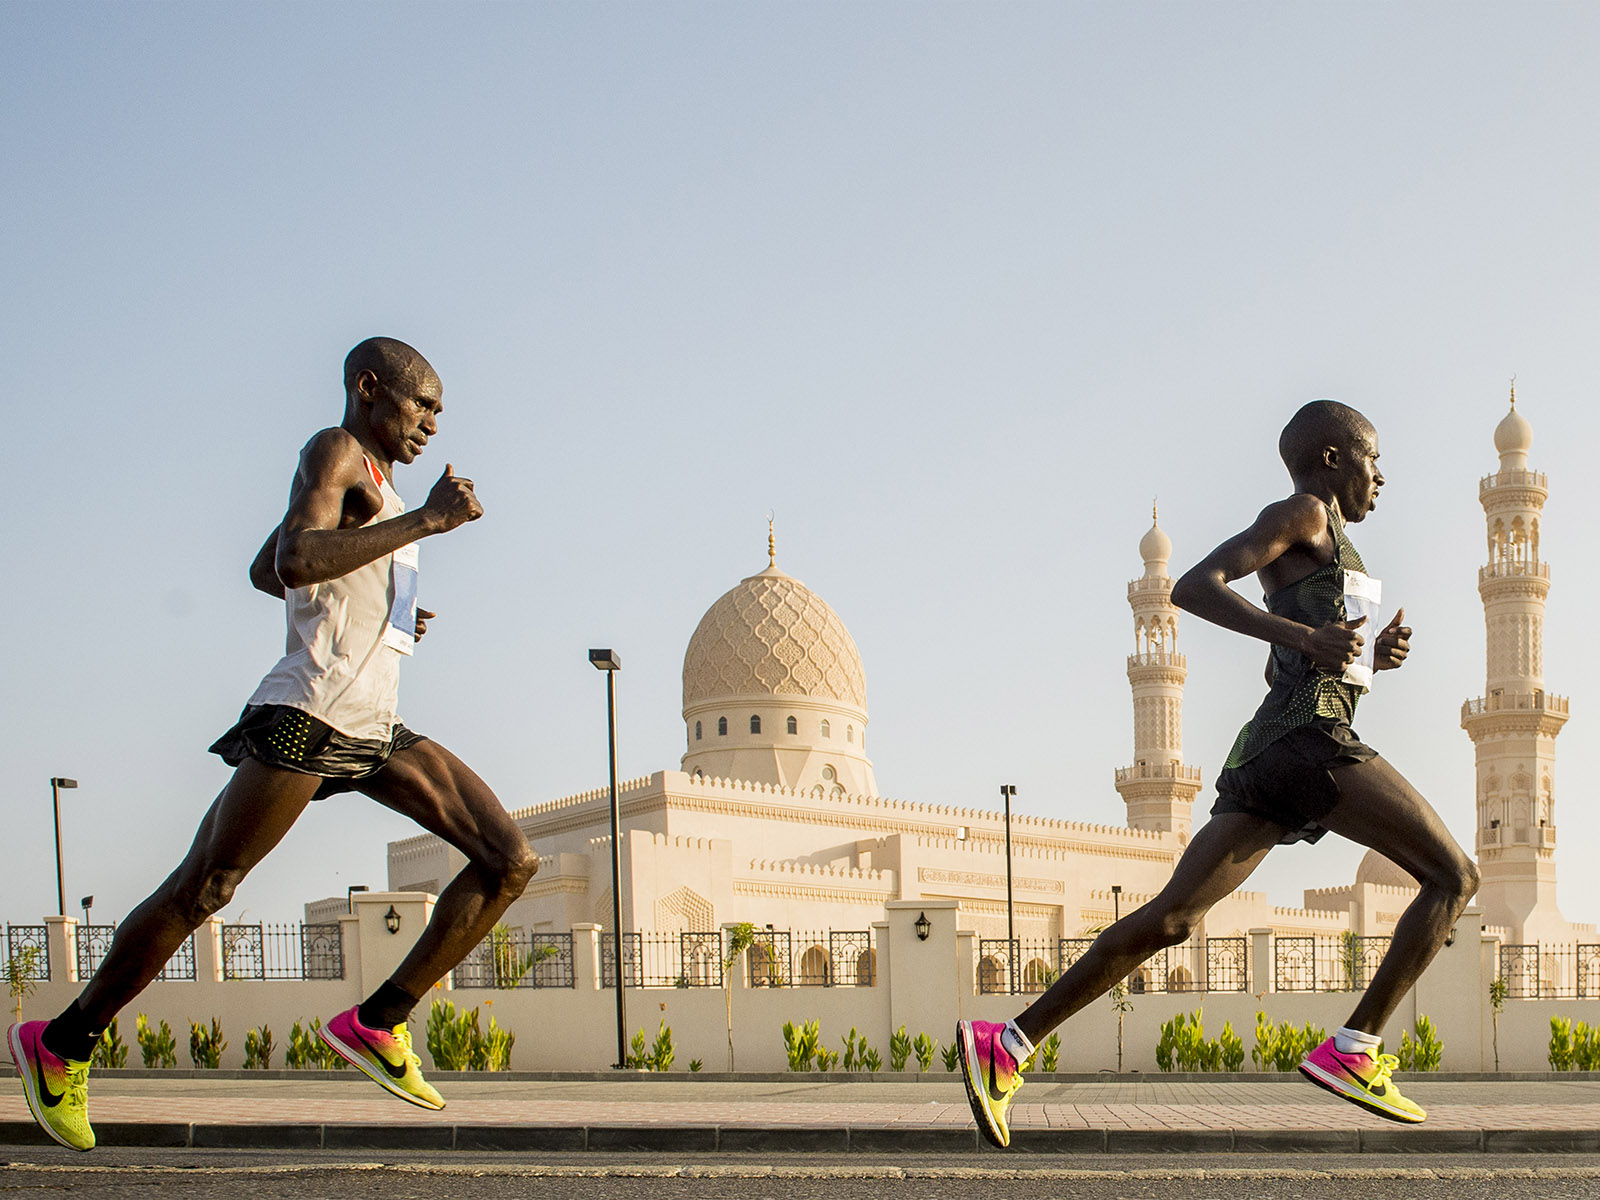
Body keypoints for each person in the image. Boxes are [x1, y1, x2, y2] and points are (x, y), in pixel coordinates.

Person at [9, 337, 537, 1152]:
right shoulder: (337, 451)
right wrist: (428, 521)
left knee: (510, 861)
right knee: (205, 889)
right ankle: (64, 1042)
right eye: (421, 403)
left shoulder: (371, 482)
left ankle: (377, 1022)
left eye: (438, 411)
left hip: (370, 723)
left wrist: (377, 600)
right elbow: (294, 559)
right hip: (311, 715)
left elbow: (267, 568)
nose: (432, 422)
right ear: (368, 388)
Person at [957, 400, 1479, 1146]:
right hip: (1307, 742)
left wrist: (1369, 657)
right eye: (1373, 458)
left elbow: (1307, 658)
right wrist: (1305, 634)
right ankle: (1356, 1048)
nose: (1382, 477)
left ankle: (1005, 1044)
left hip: (1272, 751)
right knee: (1455, 877)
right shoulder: (1302, 512)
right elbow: (1193, 586)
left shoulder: (1332, 547)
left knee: (1172, 919)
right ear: (1333, 459)